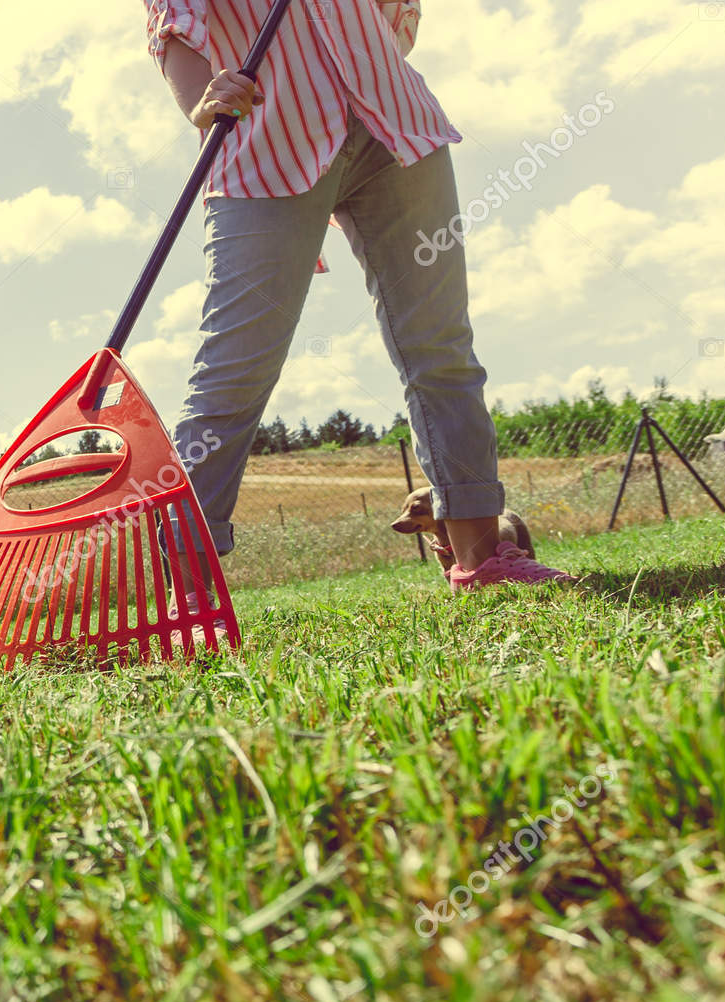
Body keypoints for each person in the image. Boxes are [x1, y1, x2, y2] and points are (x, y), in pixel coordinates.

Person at [144, 0, 573, 595]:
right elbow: (174, 20)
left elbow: (396, 17)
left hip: (394, 125)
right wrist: (200, 97)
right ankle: (188, 590)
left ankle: (482, 558)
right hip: (265, 146)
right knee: (233, 373)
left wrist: (349, 71)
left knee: (439, 345)